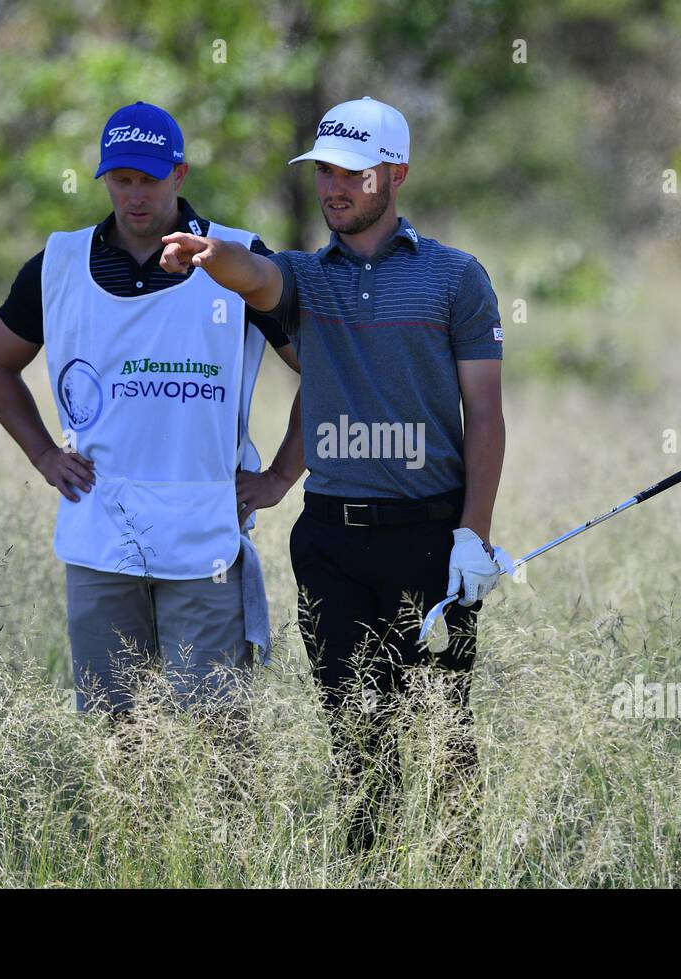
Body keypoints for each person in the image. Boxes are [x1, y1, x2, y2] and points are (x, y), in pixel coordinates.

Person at [160, 97, 505, 849]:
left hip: (429, 539)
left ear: (396, 173)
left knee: (443, 731)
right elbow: (254, 275)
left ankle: (454, 870)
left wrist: (473, 538)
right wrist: (207, 253)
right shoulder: (308, 280)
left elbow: (485, 414)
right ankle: (368, 868)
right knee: (355, 734)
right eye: (323, 170)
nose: (333, 186)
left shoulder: (455, 278)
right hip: (330, 543)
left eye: (352, 171)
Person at [0, 100, 304, 718]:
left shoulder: (236, 254)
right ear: (104, 178)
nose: (134, 195)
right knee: (113, 732)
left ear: (179, 175)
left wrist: (282, 476)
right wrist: (44, 454)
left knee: (216, 737)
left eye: (148, 179)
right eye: (120, 179)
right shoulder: (59, 264)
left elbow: (321, 370)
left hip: (204, 531)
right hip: (98, 533)